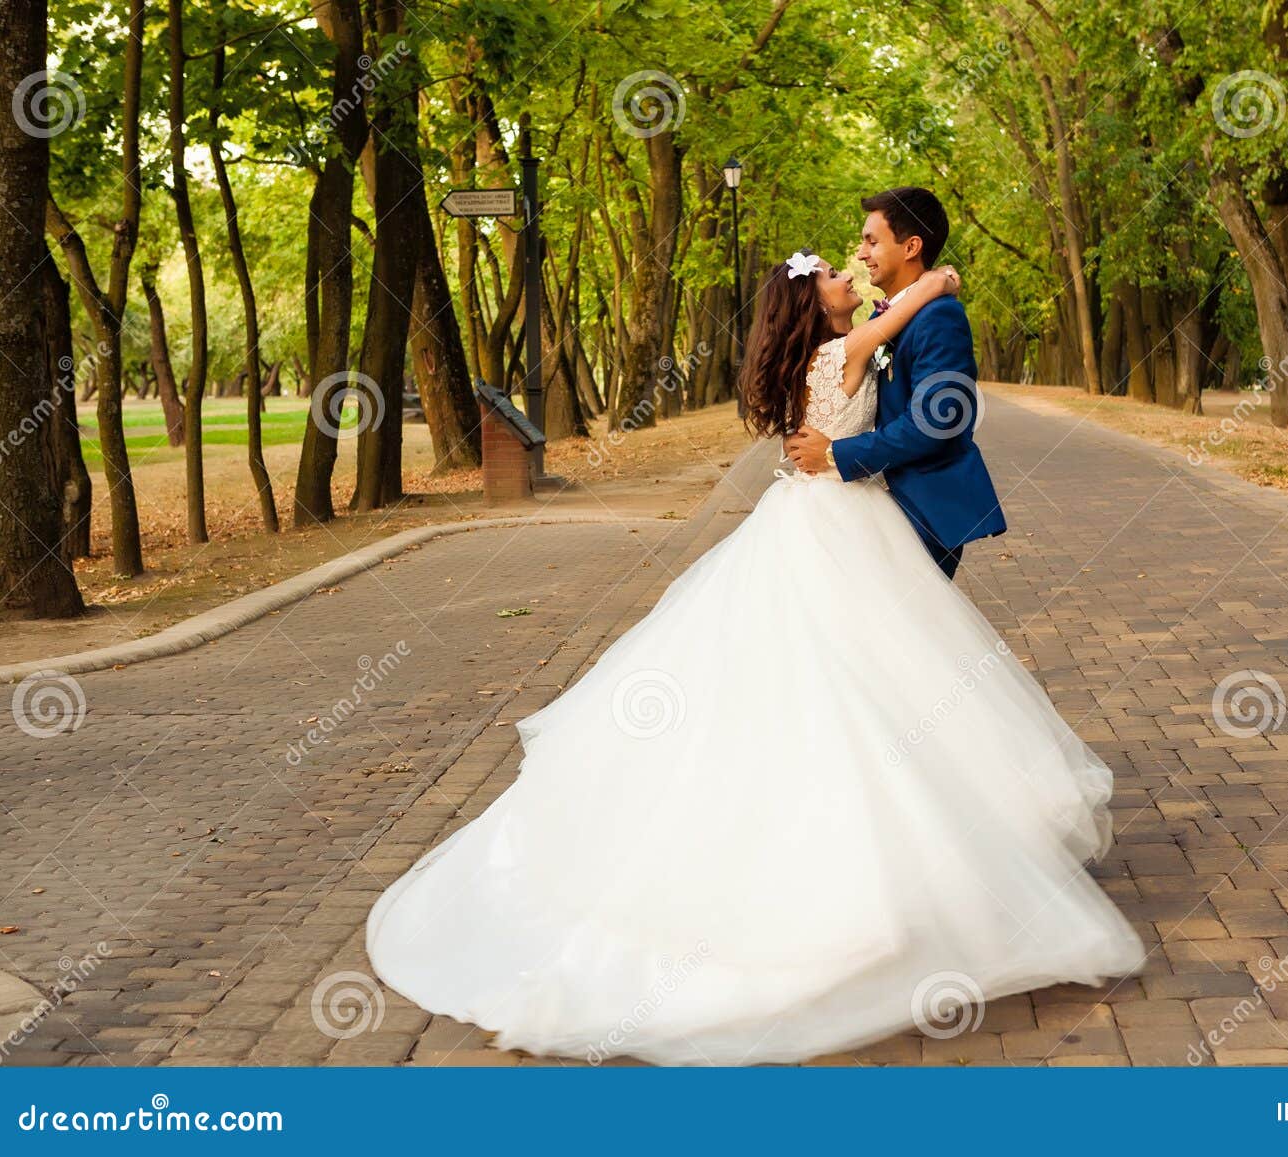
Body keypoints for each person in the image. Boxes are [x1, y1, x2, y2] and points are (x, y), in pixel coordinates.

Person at [364, 233, 1144, 1068]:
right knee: (862, 680)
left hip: (805, 518)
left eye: (853, 260)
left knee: (819, 678)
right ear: (814, 304)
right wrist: (942, 277)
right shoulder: (843, 350)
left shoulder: (808, 359)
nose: (848, 272)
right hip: (843, 524)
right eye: (833, 276)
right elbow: (908, 308)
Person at [783, 187, 1006, 578]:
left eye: (872, 241)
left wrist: (835, 453)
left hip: (921, 509)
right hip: (870, 509)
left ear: (911, 247)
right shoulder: (882, 321)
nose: (860, 254)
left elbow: (936, 423)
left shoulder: (940, 317)